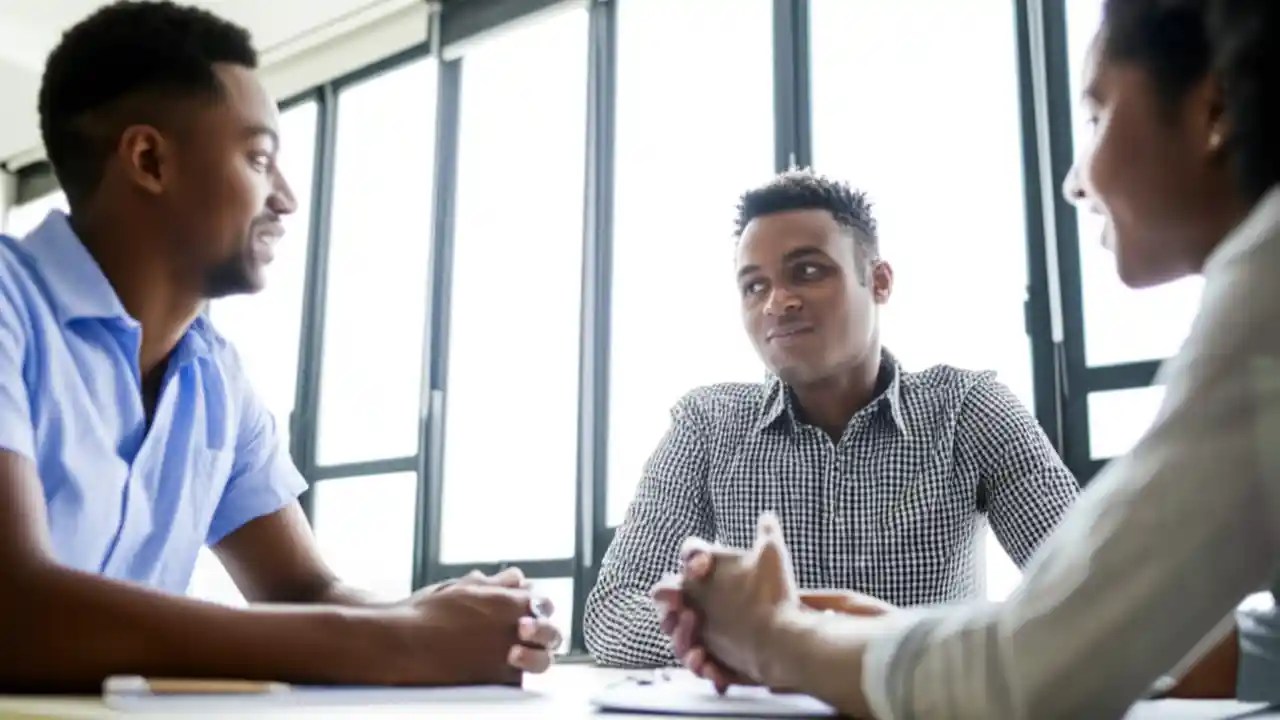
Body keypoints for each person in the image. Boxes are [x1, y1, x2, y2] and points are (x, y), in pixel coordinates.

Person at [655, 0, 1280, 716]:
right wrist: (861, 638)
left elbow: (1045, 655)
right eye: (754, 285)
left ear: (1215, 109)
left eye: (1098, 115)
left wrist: (777, 635)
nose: (1076, 181)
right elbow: (1109, 624)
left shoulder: (1263, 306)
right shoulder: (705, 421)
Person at [0, 1, 559, 692]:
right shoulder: (8, 306)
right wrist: (400, 644)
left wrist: (435, 615)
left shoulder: (215, 380)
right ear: (148, 159)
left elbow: (302, 586)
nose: (287, 198)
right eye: (259, 157)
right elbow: (15, 610)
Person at [585, 170, 1080, 667]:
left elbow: (1089, 587)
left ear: (880, 281)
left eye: (807, 272)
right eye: (754, 286)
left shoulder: (968, 410)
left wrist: (797, 644)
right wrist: (734, 640)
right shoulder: (706, 426)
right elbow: (612, 612)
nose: (778, 303)